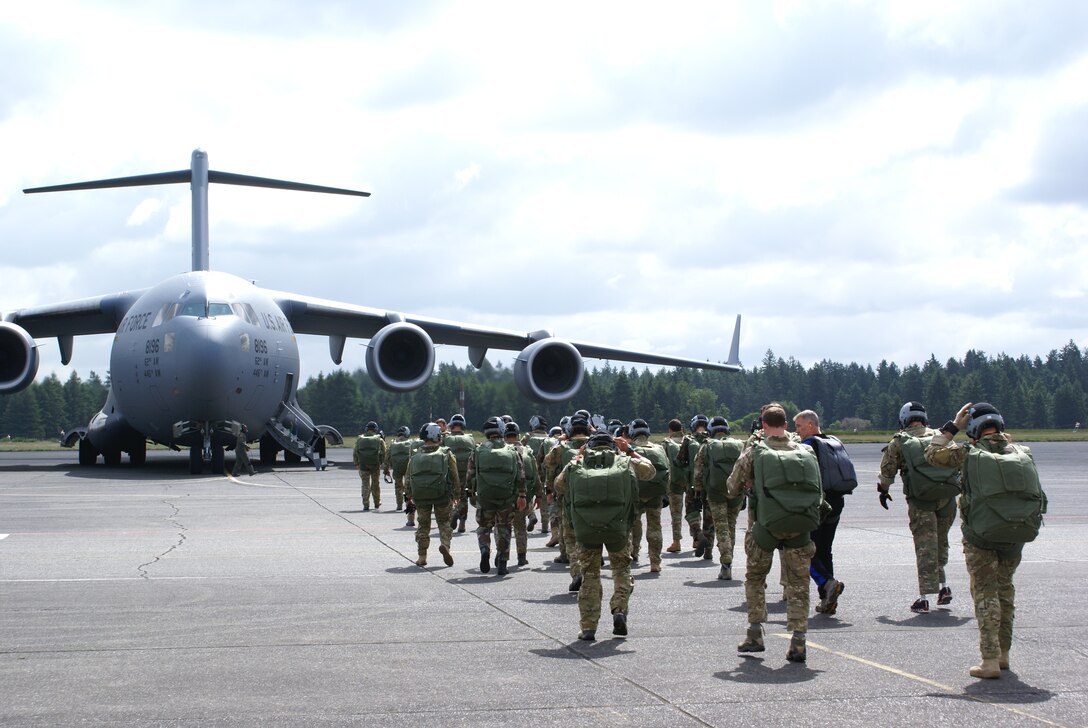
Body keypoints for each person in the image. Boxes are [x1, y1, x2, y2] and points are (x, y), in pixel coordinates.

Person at [925, 403, 1046, 679]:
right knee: (1005, 590)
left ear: (974, 429)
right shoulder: (1021, 452)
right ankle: (1003, 654)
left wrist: (952, 427)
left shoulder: (968, 452)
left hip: (981, 535)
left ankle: (989, 660)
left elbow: (931, 454)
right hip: (1016, 533)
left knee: (985, 593)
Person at [728, 404, 823, 663]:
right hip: (799, 527)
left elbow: (732, 487)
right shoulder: (805, 450)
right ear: (786, 425)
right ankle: (799, 641)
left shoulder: (755, 451)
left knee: (755, 578)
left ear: (763, 424)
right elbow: (818, 490)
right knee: (799, 583)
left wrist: (751, 482)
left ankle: (755, 633)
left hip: (766, 526)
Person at [556, 431, 657, 641]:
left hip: (586, 529)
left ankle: (588, 627)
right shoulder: (624, 461)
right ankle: (619, 609)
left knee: (590, 575)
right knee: (621, 569)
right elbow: (650, 471)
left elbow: (559, 485)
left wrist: (578, 455)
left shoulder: (577, 464)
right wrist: (629, 450)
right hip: (618, 528)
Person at [878, 401, 962, 613]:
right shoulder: (941, 436)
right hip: (947, 498)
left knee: (925, 546)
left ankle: (923, 597)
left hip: (921, 500)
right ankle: (944, 587)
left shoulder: (900, 441)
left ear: (904, 419)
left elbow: (887, 472)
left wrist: (883, 490)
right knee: (940, 543)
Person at [793, 409, 857, 614]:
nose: (798, 431)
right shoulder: (832, 441)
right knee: (824, 550)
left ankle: (828, 584)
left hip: (819, 504)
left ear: (811, 425)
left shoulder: (809, 445)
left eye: (800, 426)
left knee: (804, 549)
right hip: (837, 501)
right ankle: (827, 598)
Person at [466, 417, 527, 576]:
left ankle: (485, 549)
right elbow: (520, 475)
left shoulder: (478, 450)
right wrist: (522, 495)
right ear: (502, 431)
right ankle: (502, 562)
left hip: (485, 497)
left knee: (484, 527)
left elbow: (470, 475)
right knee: (504, 528)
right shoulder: (512, 450)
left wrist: (470, 493)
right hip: (506, 498)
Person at [542, 414, 593, 590]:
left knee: (570, 536)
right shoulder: (596, 445)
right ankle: (590, 570)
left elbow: (548, 464)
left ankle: (576, 571)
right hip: (593, 498)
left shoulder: (562, 447)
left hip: (568, 498)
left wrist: (550, 490)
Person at [692, 416, 744, 580]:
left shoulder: (706, 446)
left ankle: (726, 562)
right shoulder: (739, 444)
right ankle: (728, 563)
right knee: (731, 526)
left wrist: (698, 492)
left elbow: (698, 471)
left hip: (715, 492)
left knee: (721, 527)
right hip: (736, 491)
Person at [405, 422, 459, 568]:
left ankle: (422, 556)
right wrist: (457, 494)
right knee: (444, 523)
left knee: (423, 525)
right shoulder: (446, 453)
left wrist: (409, 496)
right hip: (442, 495)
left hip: (421, 496)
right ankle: (445, 545)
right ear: (437, 436)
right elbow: (454, 475)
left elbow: (408, 477)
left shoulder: (415, 456)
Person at [626, 419, 671, 573]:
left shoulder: (629, 450)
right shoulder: (659, 449)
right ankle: (655, 562)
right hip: (655, 493)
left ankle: (633, 552)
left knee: (633, 524)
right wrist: (665, 492)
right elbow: (667, 470)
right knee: (655, 526)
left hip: (635, 493)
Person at [506, 420, 542, 567]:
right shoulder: (527, 452)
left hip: (506, 496)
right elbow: (536, 475)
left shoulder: (503, 452)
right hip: (524, 495)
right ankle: (522, 556)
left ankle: (503, 555)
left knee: (503, 526)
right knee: (520, 527)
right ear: (518, 435)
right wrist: (539, 495)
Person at [677, 414, 712, 557]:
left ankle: (698, 534)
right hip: (709, 484)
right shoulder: (712, 440)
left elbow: (679, 461)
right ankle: (708, 552)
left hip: (692, 484)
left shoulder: (688, 440)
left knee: (692, 512)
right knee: (709, 518)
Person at [443, 414, 476, 533]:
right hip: (466, 471)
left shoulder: (446, 438)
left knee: (451, 495)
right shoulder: (470, 438)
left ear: (451, 425)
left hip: (452, 471)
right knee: (464, 497)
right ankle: (462, 523)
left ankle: (453, 512)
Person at [660, 418, 689, 554]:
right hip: (689, 481)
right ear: (681, 429)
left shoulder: (667, 443)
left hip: (674, 482)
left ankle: (676, 542)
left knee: (676, 514)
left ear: (670, 430)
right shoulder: (689, 441)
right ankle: (696, 538)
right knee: (693, 510)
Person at [521, 415, 551, 533]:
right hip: (545, 471)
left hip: (530, 470)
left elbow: (520, 449)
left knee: (528, 496)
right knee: (543, 497)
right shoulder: (549, 438)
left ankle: (531, 514)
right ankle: (545, 524)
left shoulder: (528, 437)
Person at [353, 421, 388, 510]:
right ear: (375, 429)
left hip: (363, 465)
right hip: (375, 465)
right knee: (375, 484)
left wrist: (356, 463)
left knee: (365, 484)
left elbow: (355, 452)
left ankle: (366, 504)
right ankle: (376, 503)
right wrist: (383, 463)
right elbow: (384, 452)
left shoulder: (360, 439)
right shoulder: (379, 439)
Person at [385, 426, 417, 515]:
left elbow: (387, 458)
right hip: (408, 468)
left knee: (398, 487)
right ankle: (409, 503)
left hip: (397, 468)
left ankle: (399, 505)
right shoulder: (412, 443)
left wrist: (386, 470)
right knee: (408, 487)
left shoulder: (392, 444)